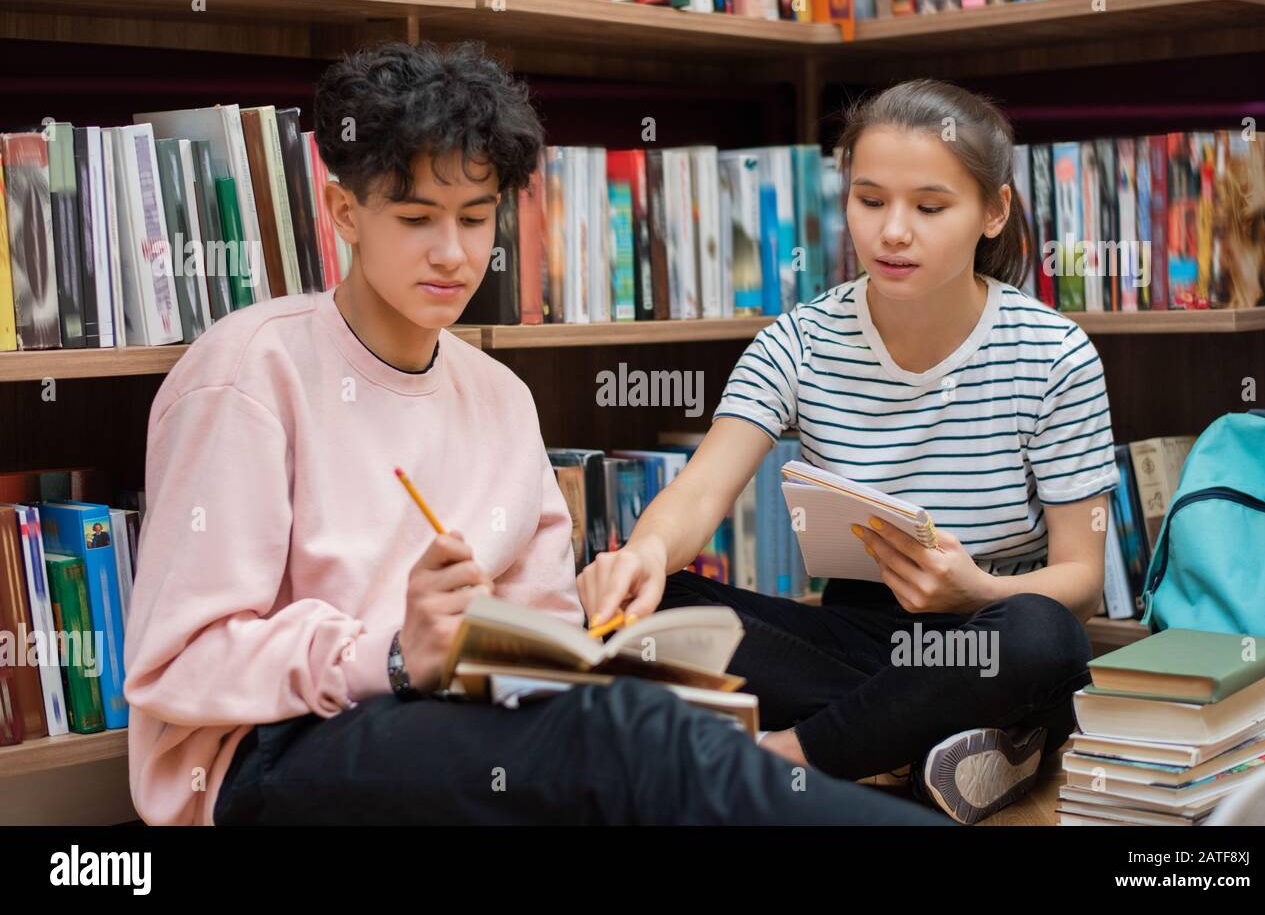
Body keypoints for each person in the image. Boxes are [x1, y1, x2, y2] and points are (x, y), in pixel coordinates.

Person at [121, 40, 947, 826]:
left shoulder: (501, 398)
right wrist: (395, 655)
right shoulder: (250, 372)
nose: (452, 254)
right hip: (270, 753)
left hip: (453, 725)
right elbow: (177, 662)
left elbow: (539, 624)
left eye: (475, 219)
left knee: (657, 730)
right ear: (345, 208)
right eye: (417, 218)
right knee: (631, 747)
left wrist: (562, 661)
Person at [578, 78, 1118, 824]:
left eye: (930, 207)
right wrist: (640, 557)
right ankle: (935, 746)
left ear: (993, 212)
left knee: (1041, 636)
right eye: (870, 201)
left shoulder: (1053, 353)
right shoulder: (797, 341)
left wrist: (974, 593)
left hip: (985, 635)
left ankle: (788, 760)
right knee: (633, 606)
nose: (893, 231)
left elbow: (1083, 581)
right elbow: (701, 493)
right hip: (852, 640)